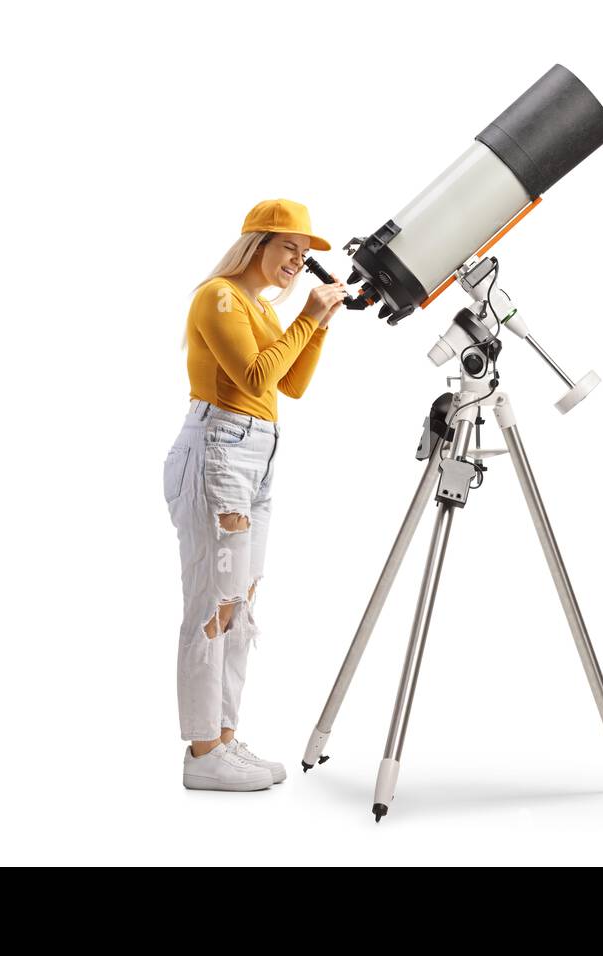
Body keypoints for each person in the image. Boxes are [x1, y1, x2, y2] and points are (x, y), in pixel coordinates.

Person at [163, 199, 348, 791]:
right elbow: (253, 378)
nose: (297, 260)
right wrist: (306, 318)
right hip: (219, 449)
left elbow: (290, 385)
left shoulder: (263, 309)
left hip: (256, 454)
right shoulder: (218, 297)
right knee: (213, 603)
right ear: (257, 244)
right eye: (289, 247)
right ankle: (202, 753)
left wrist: (318, 325)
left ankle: (223, 738)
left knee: (239, 603)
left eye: (304, 252)